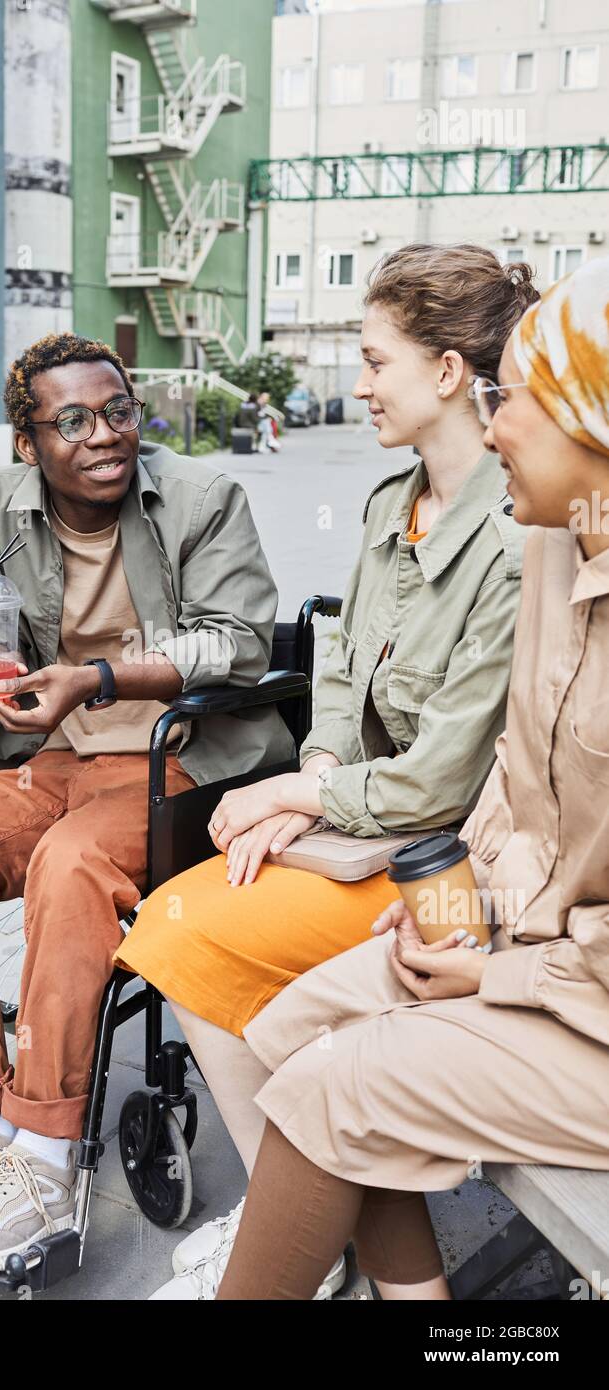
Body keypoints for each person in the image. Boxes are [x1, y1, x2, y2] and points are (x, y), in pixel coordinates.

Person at [115, 244, 538, 1298]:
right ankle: (307, 1231)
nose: (355, 383)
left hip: (441, 865)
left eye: (372, 359)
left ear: (446, 372)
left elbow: (442, 777)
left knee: (186, 935)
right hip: (361, 825)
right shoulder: (385, 506)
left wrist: (296, 797)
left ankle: (294, 1238)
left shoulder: (513, 536)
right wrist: (301, 787)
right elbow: (339, 679)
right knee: (183, 927)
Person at [214, 251, 609, 1300]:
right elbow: (512, 783)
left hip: (587, 997)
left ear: (591, 416)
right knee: (286, 1035)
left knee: (341, 1082)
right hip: (537, 943)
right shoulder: (554, 545)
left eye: (515, 399)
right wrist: (460, 901)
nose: (489, 428)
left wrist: (503, 975)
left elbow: (441, 770)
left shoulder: (509, 535)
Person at [0, 332, 292, 1274]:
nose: (106, 436)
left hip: (181, 759)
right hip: (53, 755)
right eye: (73, 420)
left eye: (118, 411)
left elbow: (239, 646)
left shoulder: (201, 499)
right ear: (28, 443)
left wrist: (97, 678)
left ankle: (51, 1156)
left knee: (72, 862)